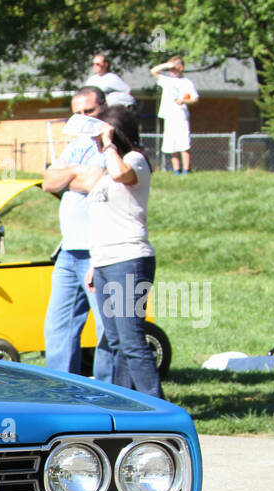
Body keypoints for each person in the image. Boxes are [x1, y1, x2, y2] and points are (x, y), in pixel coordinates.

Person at [67, 106, 162, 399]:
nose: (96, 142)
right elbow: (104, 220)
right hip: (106, 262)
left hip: (129, 260)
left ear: (116, 132)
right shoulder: (106, 172)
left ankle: (158, 408)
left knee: (132, 340)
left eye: (101, 134)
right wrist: (95, 264)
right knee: (117, 341)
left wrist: (108, 142)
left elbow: (122, 173)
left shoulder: (135, 161)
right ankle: (125, 404)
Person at [42, 87, 107, 378]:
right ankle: (61, 394)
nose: (82, 119)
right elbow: (48, 181)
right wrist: (75, 173)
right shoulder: (76, 145)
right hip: (68, 252)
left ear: (104, 109)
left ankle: (113, 393)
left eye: (89, 112)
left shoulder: (111, 145)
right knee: (58, 329)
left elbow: (94, 181)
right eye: (77, 112)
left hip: (99, 251)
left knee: (109, 329)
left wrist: (68, 174)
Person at [151, 56, 199, 174]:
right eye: (170, 69)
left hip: (181, 115)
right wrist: (167, 65)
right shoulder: (167, 80)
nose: (172, 71)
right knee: (171, 144)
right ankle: (176, 169)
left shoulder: (187, 83)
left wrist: (183, 101)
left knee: (183, 143)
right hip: (169, 116)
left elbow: (195, 99)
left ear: (181, 68)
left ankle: (186, 169)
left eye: (175, 68)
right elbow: (153, 71)